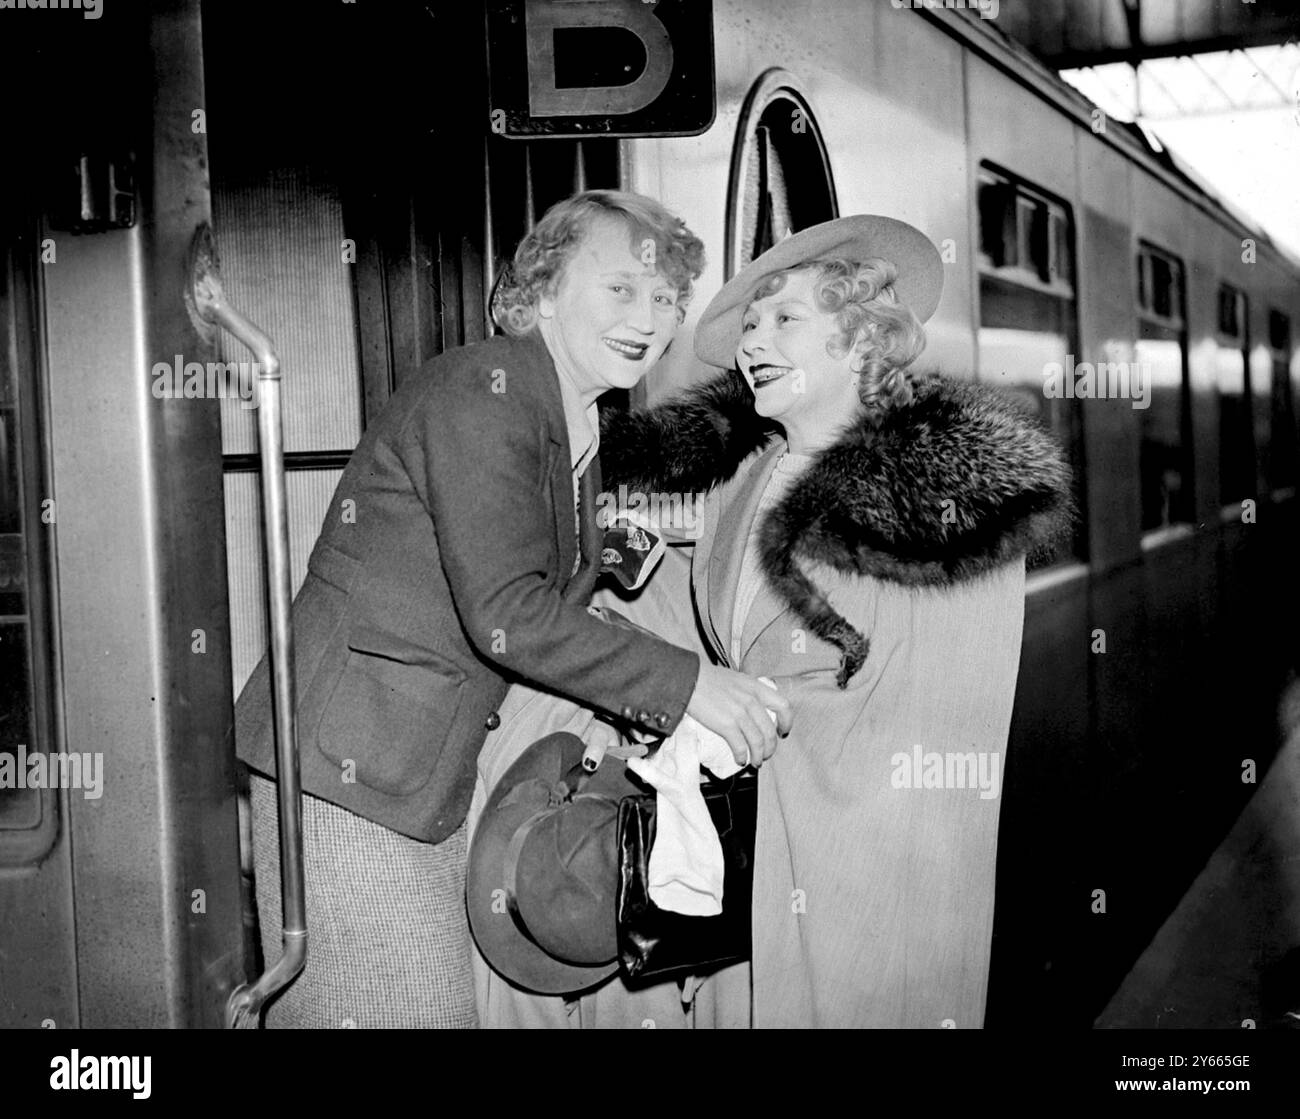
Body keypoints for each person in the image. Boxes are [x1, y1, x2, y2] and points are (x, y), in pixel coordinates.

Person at [235, 190, 791, 1028]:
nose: (651, 316)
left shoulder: (574, 423)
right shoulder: (485, 394)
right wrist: (688, 687)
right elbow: (508, 613)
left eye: (666, 298)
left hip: (402, 770)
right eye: (621, 289)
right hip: (346, 766)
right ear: (541, 290)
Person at [590, 215, 1075, 1027]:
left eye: (785, 320)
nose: (754, 342)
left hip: (870, 886)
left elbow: (936, 718)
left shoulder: (942, 505)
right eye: (748, 324)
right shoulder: (745, 481)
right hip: (747, 869)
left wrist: (738, 718)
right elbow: (705, 634)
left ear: (858, 341)